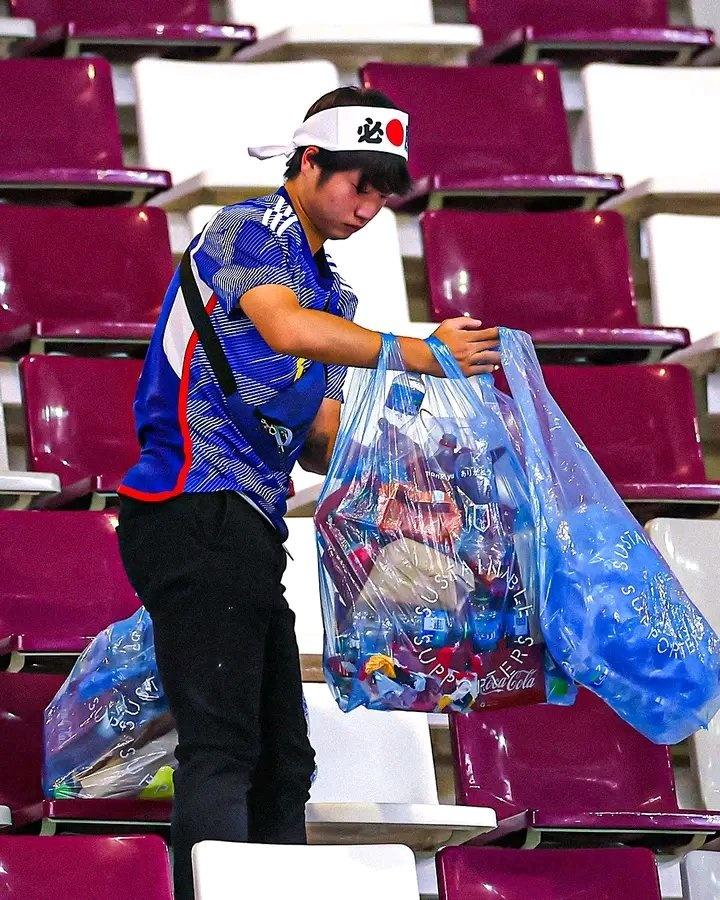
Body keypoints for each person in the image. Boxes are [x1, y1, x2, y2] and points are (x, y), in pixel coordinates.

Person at [116, 85, 500, 900]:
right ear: (309, 160)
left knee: (285, 762)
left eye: (383, 195)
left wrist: (428, 476)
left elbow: (320, 434)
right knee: (221, 746)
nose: (367, 208)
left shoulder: (334, 296)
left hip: (247, 522)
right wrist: (421, 352)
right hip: (190, 503)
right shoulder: (247, 229)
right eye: (356, 184)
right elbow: (284, 331)